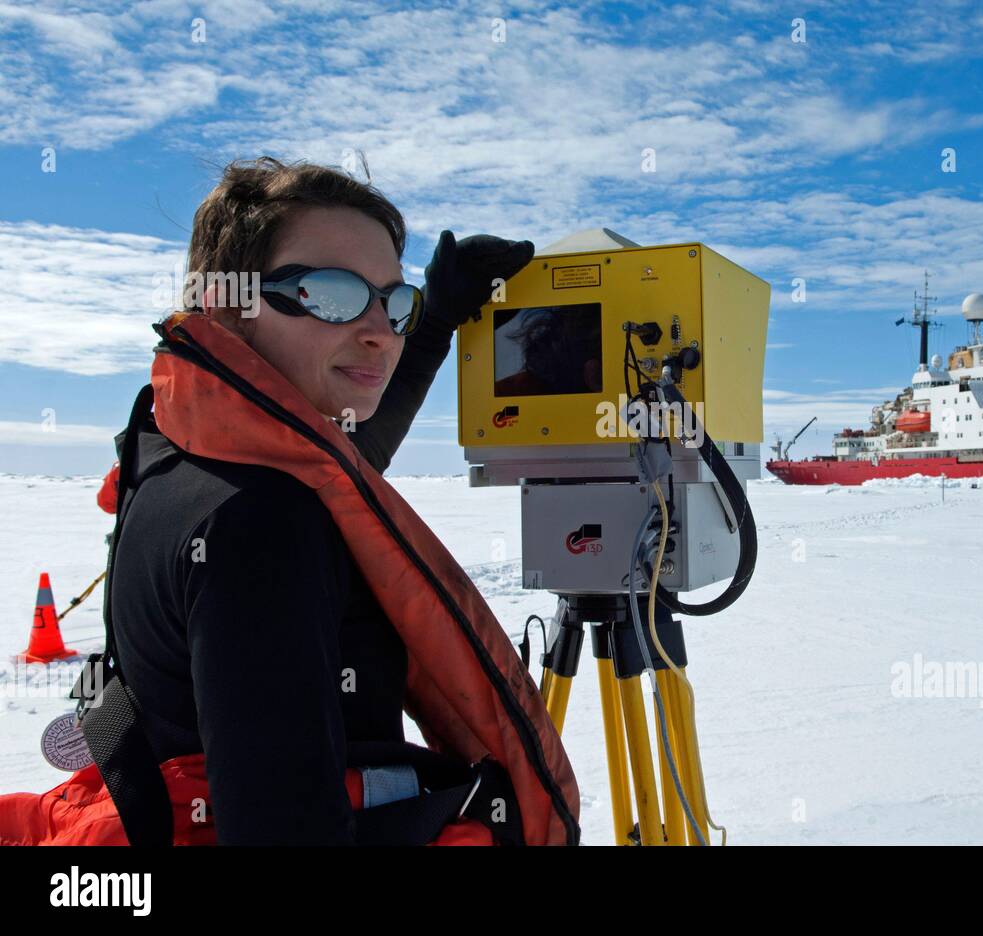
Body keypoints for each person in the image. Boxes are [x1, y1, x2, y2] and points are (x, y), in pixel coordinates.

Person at [0, 157, 580, 846]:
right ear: (226, 305)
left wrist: (438, 318)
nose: (381, 331)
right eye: (330, 293)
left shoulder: (178, 447)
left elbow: (345, 463)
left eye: (395, 302)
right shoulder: (262, 523)